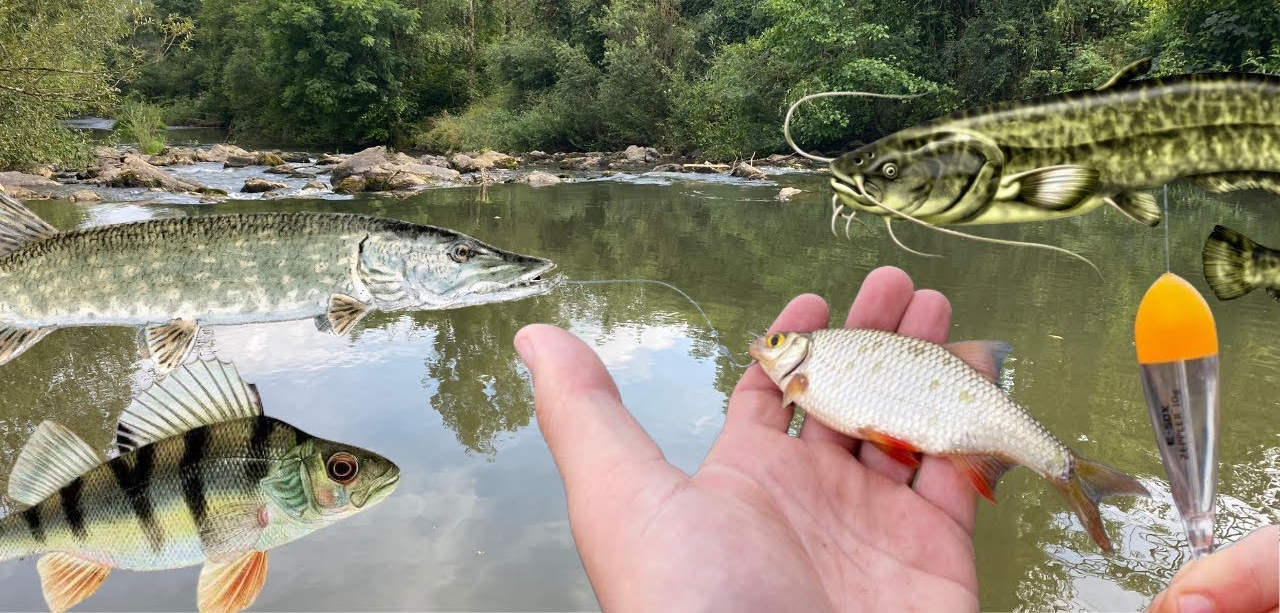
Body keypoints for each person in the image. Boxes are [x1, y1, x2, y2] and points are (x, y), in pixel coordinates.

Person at [513, 266, 1279, 613]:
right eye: (773, 344)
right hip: (930, 415)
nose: (767, 348)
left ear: (794, 352)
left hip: (946, 411)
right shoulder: (809, 375)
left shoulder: (809, 372)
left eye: (774, 343)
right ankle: (1069, 473)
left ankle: (1070, 473)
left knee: (1021, 449)